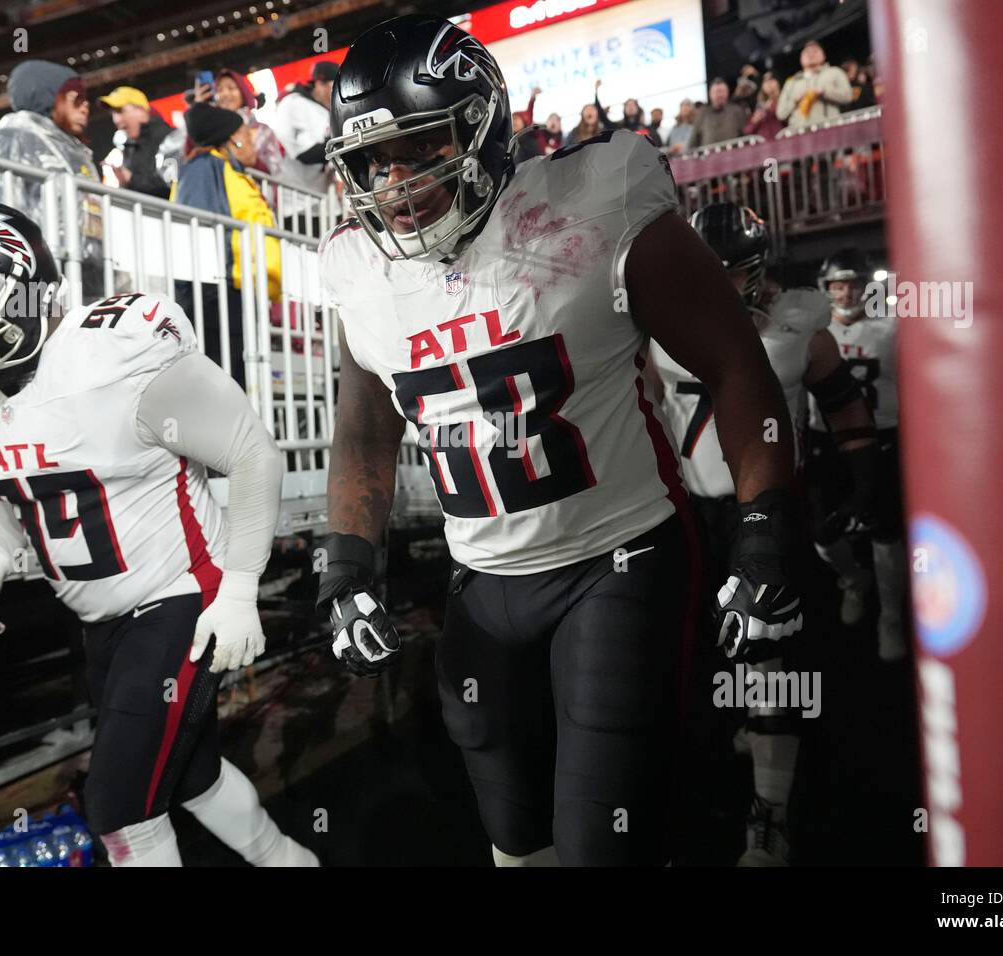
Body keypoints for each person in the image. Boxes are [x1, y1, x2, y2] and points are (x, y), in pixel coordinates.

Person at [316, 15, 804, 867]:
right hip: (482, 578)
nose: (394, 182)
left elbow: (732, 362)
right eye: (370, 162)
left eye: (419, 146)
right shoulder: (360, 270)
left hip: (616, 559)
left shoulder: (596, 198)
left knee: (602, 843)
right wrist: (349, 568)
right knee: (514, 844)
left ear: (481, 125)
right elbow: (364, 427)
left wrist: (766, 529)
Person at [0, 200, 317, 868]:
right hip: (101, 622)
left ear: (17, 291)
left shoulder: (113, 353)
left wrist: (238, 589)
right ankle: (291, 863)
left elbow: (252, 452)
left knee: (119, 807)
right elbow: (7, 480)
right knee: (191, 776)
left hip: (179, 598)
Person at [647, 204, 878, 866]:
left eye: (733, 272)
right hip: (692, 511)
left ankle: (770, 813)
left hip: (774, 508)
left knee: (773, 655)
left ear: (758, 272)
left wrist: (863, 483)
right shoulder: (655, 333)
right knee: (697, 654)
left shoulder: (798, 333)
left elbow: (847, 411)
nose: (719, 285)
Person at [808, 248, 907, 662]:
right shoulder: (810, 331)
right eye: (837, 285)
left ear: (866, 288)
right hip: (826, 442)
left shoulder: (891, 330)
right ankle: (853, 579)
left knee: (886, 531)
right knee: (822, 530)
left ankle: (891, 616)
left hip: (881, 439)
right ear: (825, 289)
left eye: (852, 284)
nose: (845, 292)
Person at [0, 60, 104, 299]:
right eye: (76, 99)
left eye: (86, 101)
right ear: (49, 97)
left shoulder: (69, 149)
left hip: (80, 275)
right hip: (30, 278)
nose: (85, 108)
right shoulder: (9, 139)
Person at [171, 104, 282, 391]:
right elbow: (199, 233)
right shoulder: (203, 168)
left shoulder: (228, 170)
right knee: (225, 382)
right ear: (234, 139)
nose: (254, 140)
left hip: (238, 293)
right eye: (247, 132)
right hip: (216, 298)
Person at [271, 60, 336, 195]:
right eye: (334, 87)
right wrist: (344, 142)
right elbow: (306, 154)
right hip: (297, 200)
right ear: (320, 84)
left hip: (322, 198)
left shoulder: (326, 109)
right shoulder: (294, 103)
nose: (338, 93)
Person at [99, 86, 172, 199]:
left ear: (141, 110)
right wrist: (124, 183)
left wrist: (131, 179)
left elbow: (171, 185)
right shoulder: (129, 147)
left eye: (120, 111)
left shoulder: (169, 138)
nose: (116, 120)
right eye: (113, 113)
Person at [776, 40, 853, 130]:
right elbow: (781, 114)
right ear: (801, 58)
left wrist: (825, 92)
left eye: (815, 51)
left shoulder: (834, 72)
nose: (811, 54)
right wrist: (795, 100)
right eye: (807, 52)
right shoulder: (791, 82)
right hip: (799, 132)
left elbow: (848, 96)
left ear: (824, 56)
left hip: (829, 128)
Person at [692, 78, 749, 147]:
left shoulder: (736, 110)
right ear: (710, 94)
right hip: (709, 155)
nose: (719, 95)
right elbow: (693, 140)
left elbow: (746, 134)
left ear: (727, 92)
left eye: (722, 91)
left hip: (733, 154)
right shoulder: (702, 114)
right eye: (716, 92)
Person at [743, 73, 785, 140]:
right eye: (765, 81)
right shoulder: (759, 105)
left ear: (778, 82)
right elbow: (747, 131)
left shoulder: (785, 99)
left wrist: (773, 103)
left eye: (771, 80)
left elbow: (785, 118)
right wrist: (754, 121)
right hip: (765, 145)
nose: (768, 83)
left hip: (783, 140)